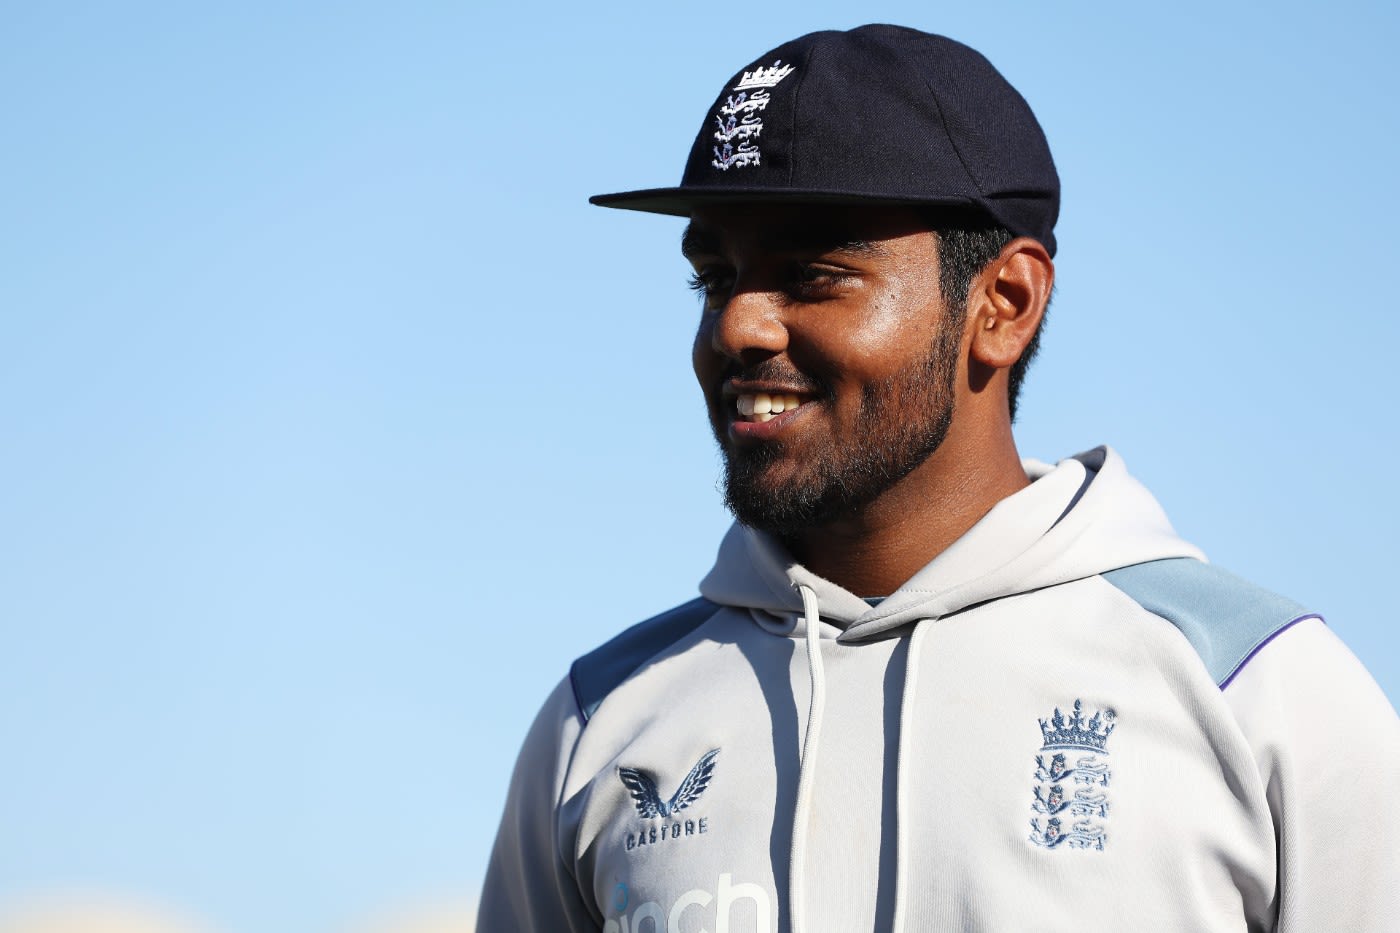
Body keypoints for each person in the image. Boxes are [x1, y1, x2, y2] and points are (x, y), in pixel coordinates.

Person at [478, 24, 1400, 933]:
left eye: (813, 273)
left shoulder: (1255, 689)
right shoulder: (600, 722)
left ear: (1004, 304)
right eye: (715, 279)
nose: (738, 326)